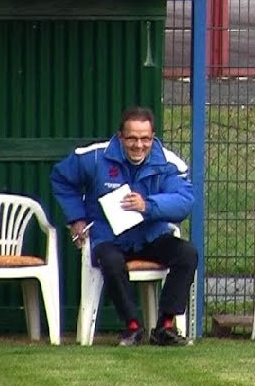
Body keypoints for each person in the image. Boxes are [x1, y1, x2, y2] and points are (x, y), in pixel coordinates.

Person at [50, 106, 197, 347]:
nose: (138, 145)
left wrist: (148, 205)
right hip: (110, 239)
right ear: (120, 137)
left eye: (145, 139)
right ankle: (132, 327)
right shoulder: (95, 156)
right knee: (110, 261)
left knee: (187, 253)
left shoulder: (169, 163)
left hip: (151, 237)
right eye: (132, 138)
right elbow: (61, 178)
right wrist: (76, 218)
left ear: (153, 137)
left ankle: (165, 327)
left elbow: (184, 201)